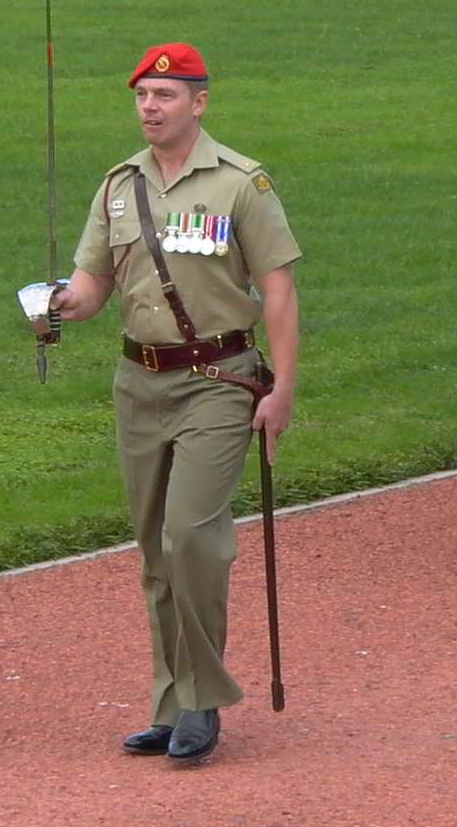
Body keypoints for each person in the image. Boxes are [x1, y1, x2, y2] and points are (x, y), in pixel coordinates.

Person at [50, 43, 301, 763]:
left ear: (199, 102)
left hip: (218, 380)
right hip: (139, 383)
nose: (150, 107)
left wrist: (283, 387)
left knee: (190, 536)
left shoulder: (241, 184)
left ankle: (201, 699)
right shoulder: (118, 187)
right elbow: (93, 285)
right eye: (142, 96)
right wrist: (60, 305)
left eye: (165, 95)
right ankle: (170, 701)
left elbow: (278, 289)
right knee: (154, 550)